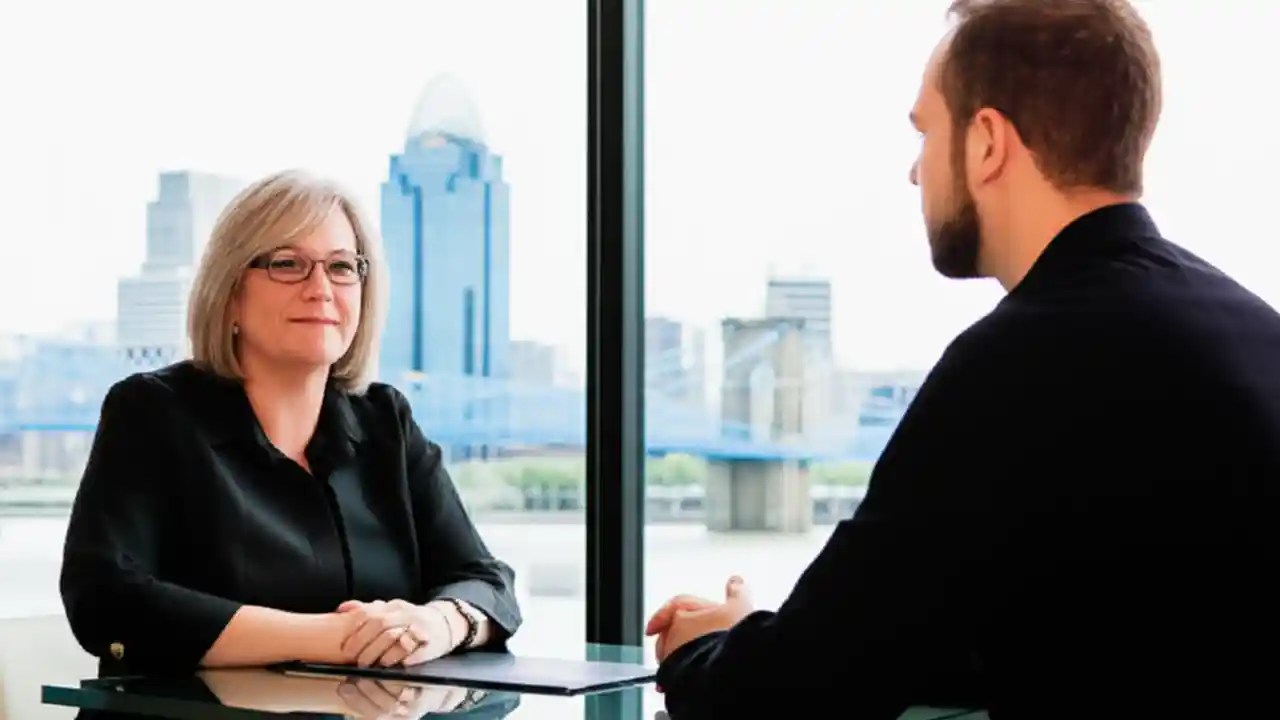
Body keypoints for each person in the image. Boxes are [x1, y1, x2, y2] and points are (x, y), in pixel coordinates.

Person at [648, 0, 1280, 716]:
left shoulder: (1019, 362)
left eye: (925, 132)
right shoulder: (1256, 330)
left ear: (986, 143)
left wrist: (705, 649)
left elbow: (790, 696)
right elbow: (1083, 632)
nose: (916, 173)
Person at [60, 170, 521, 678]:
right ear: (230, 292)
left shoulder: (385, 420)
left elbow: (486, 580)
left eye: (342, 267)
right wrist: (335, 638)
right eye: (288, 264)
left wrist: (438, 624)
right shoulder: (152, 411)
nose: (320, 289)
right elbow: (105, 600)